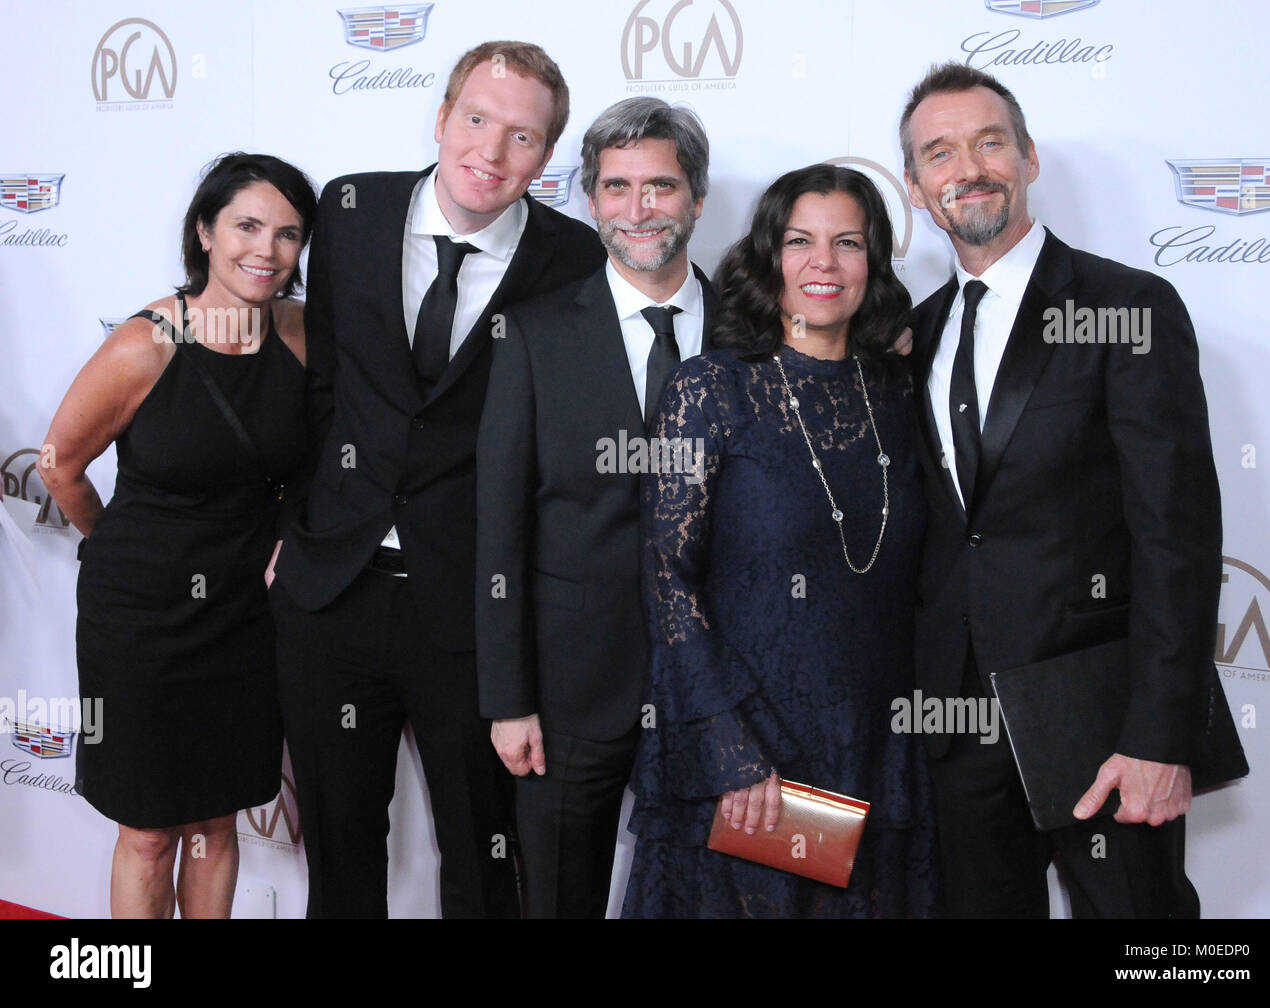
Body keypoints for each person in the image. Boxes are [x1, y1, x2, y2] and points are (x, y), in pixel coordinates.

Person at [899, 62, 1248, 917]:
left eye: (989, 142)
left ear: (1028, 158)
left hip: (1100, 718)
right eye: (939, 153)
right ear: (914, 187)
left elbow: (1179, 535)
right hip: (956, 722)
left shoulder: (1125, 305)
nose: (967, 167)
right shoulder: (916, 333)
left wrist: (1160, 736)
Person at [267, 41, 606, 918]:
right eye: (478, 120)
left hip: (474, 608)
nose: (491, 154)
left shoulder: (572, 258)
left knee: (484, 854)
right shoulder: (352, 210)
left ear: (548, 156)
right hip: (334, 590)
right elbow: (323, 385)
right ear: (443, 115)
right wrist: (290, 526)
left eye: (522, 137)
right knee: (339, 851)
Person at [622, 164, 938, 918]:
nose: (823, 263)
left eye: (848, 243)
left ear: (876, 262)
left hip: (877, 752)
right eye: (800, 240)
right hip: (753, 754)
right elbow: (669, 577)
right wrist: (729, 750)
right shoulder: (711, 389)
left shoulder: (899, 394)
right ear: (768, 257)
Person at [41, 152, 317, 918]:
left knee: (216, 822)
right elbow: (60, 464)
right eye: (247, 226)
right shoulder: (146, 344)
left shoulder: (298, 335)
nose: (265, 250)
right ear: (205, 231)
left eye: (288, 234)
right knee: (152, 831)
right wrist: (112, 545)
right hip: (141, 621)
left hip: (243, 617)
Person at [476, 97, 715, 918]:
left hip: (718, 692)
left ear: (697, 196)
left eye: (660, 186)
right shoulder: (535, 335)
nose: (638, 209)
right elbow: (499, 529)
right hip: (571, 692)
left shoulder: (753, 333)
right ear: (588, 199)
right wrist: (510, 700)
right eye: (616, 187)